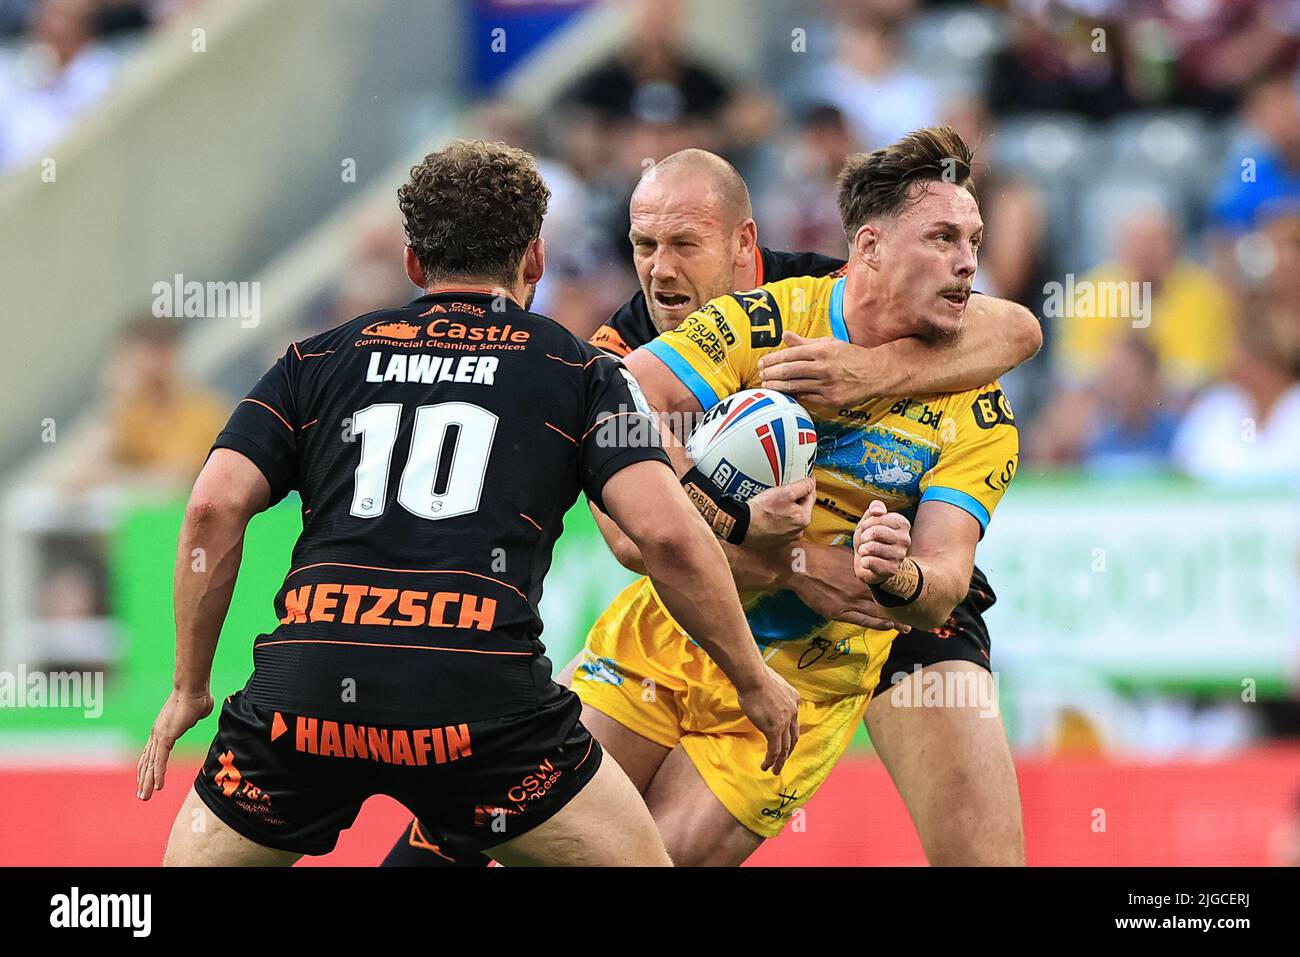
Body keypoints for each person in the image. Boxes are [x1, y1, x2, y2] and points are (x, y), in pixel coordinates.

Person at [135, 139, 800, 867]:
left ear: (415, 265)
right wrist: (751, 676)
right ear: (535, 260)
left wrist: (188, 686)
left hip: (308, 696)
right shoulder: (579, 372)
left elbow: (210, 508)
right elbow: (669, 537)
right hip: (478, 709)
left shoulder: (315, 360)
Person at [386, 135, 1034, 867]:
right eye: (643, 244)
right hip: (704, 597)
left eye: (684, 243)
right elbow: (641, 541)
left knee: (986, 856)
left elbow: (1018, 328)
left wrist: (867, 371)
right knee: (492, 816)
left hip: (878, 596)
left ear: (742, 246)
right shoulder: (620, 351)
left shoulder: (817, 298)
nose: (660, 269)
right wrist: (789, 558)